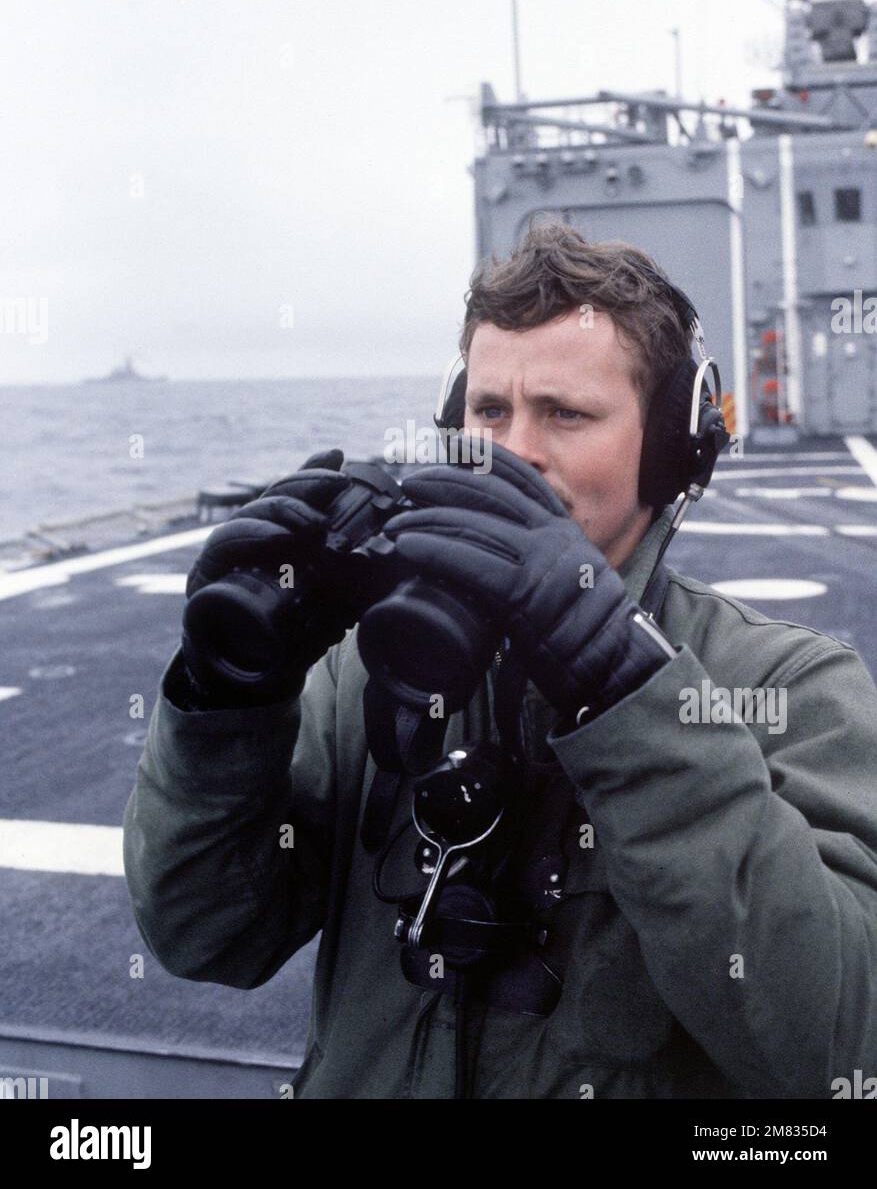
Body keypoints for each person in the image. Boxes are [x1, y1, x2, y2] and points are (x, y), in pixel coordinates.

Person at [123, 223, 877, 1099]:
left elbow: (841, 1054)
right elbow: (207, 937)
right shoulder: (368, 667)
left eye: (566, 413)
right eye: (489, 411)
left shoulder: (783, 687)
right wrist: (227, 701)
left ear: (672, 448)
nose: (511, 451)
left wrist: (627, 691)